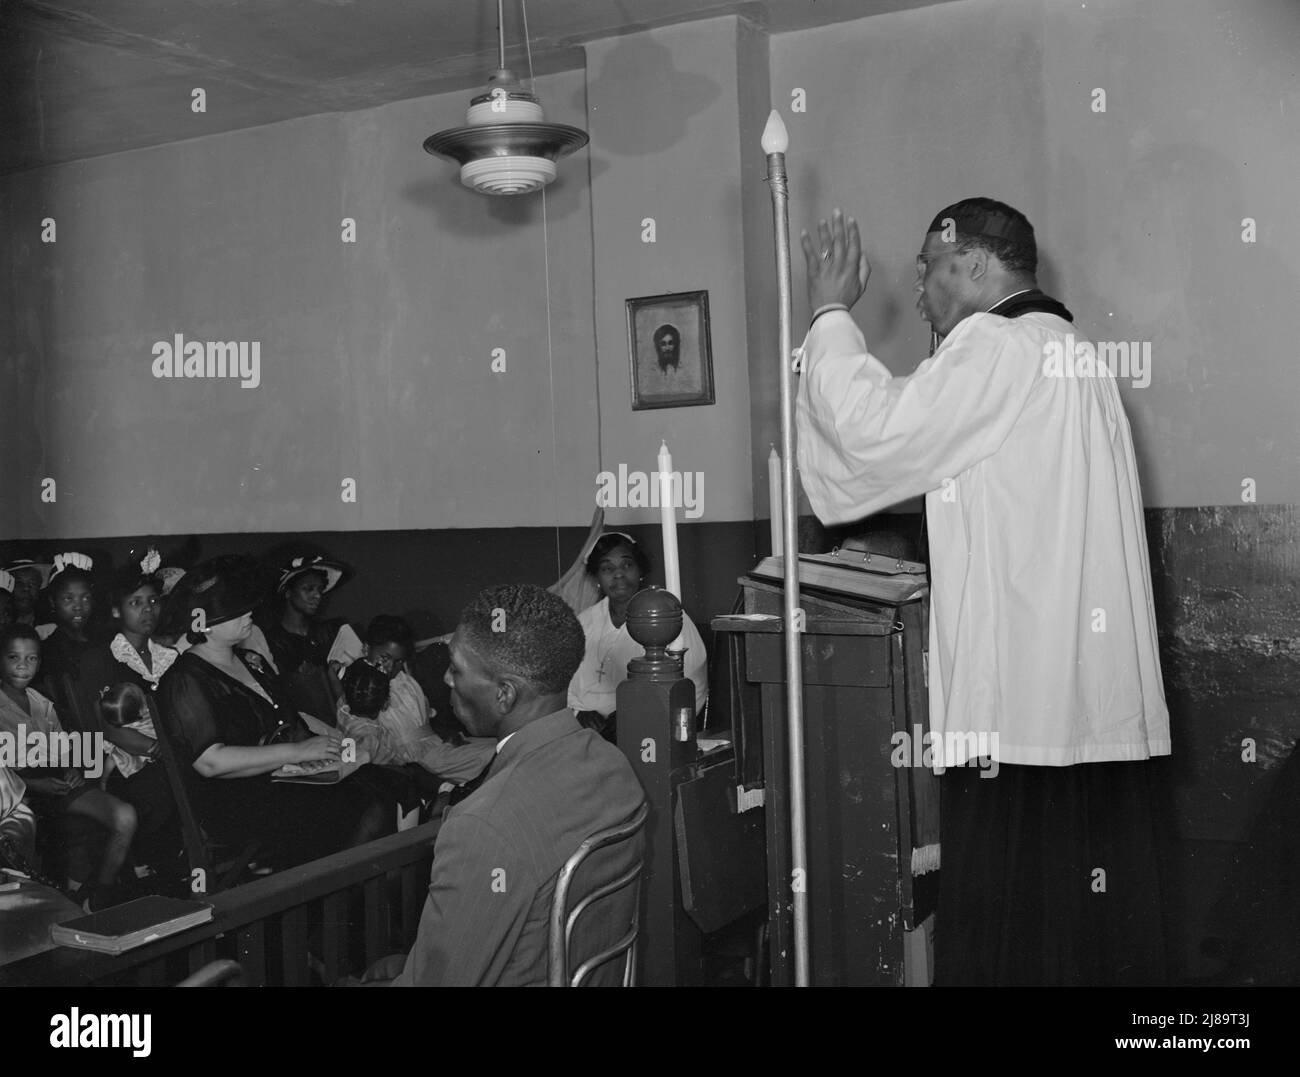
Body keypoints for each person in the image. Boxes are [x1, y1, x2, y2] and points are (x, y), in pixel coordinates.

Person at [795, 200, 1170, 985]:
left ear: (972, 263)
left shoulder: (995, 345)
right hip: (1088, 716)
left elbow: (873, 438)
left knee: (1012, 938)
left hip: (1020, 722)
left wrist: (830, 312)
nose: (920, 286)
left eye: (927, 267)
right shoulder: (1073, 353)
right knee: (1084, 935)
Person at [387, 584, 645, 986]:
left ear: (504, 694)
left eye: (456, 669)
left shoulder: (483, 825)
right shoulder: (611, 764)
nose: (446, 679)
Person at [156, 556, 392, 869]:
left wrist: (333, 752)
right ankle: (329, 897)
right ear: (204, 624)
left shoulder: (253, 661)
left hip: (284, 779)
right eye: (236, 609)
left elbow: (291, 723)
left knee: (387, 784)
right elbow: (211, 762)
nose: (249, 612)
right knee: (368, 808)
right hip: (238, 801)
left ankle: (338, 894)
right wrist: (296, 752)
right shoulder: (185, 679)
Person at [0, 623, 137, 909]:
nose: (23, 666)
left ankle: (95, 895)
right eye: (14, 657)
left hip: (58, 786)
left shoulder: (42, 703)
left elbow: (62, 750)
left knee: (124, 816)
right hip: (16, 798)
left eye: (32, 658)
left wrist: (71, 768)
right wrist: (34, 784)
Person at [567, 532, 708, 737]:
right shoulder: (583, 622)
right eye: (607, 568)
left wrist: (639, 716)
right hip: (586, 732)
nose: (618, 575)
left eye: (627, 565)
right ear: (597, 577)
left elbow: (692, 683)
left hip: (648, 727)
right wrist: (578, 714)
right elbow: (565, 682)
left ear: (640, 570)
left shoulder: (668, 616)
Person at [333, 615, 495, 784]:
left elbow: (421, 724)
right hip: (416, 762)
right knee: (496, 755)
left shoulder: (403, 680)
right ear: (366, 649)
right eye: (384, 658)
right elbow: (356, 736)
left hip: (437, 747)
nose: (389, 667)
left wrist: (445, 735)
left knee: (502, 742)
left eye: (398, 661)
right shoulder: (363, 689)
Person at [260, 554, 351, 721]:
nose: (317, 596)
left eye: (319, 590)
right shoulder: (272, 641)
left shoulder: (328, 634)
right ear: (288, 593)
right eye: (308, 589)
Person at [1, 558, 50, 628]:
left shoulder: (49, 625)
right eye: (19, 583)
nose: (26, 589)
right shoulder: (3, 623)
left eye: (33, 583)